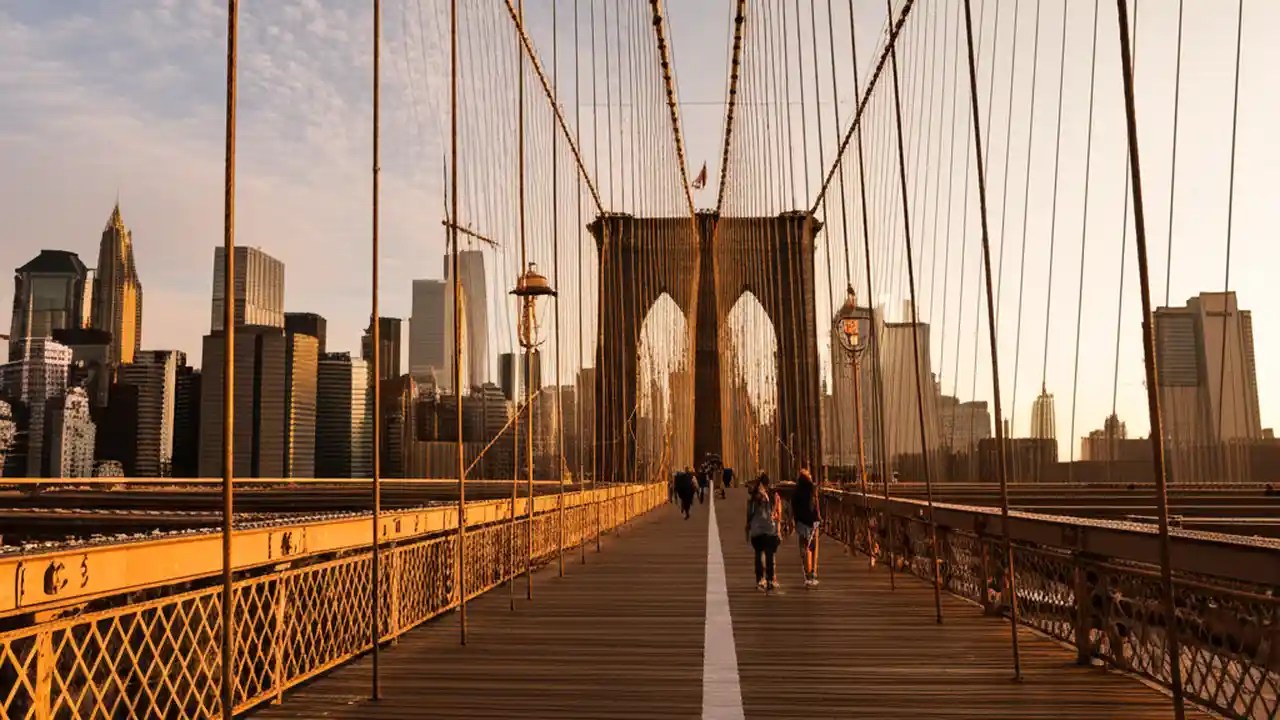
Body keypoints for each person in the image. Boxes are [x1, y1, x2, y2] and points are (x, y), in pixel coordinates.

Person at [745, 473, 782, 592]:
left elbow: (749, 514)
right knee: (770, 555)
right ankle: (770, 579)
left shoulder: (753, 497)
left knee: (758, 554)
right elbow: (776, 514)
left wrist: (748, 528)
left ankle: (760, 579)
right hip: (769, 530)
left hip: (756, 530)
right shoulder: (771, 496)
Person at [791, 464, 822, 587]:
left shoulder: (796, 490)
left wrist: (793, 520)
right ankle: (813, 572)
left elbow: (793, 506)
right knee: (813, 547)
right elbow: (816, 504)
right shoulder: (812, 488)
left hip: (800, 522)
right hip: (812, 521)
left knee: (804, 548)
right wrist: (819, 516)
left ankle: (807, 574)